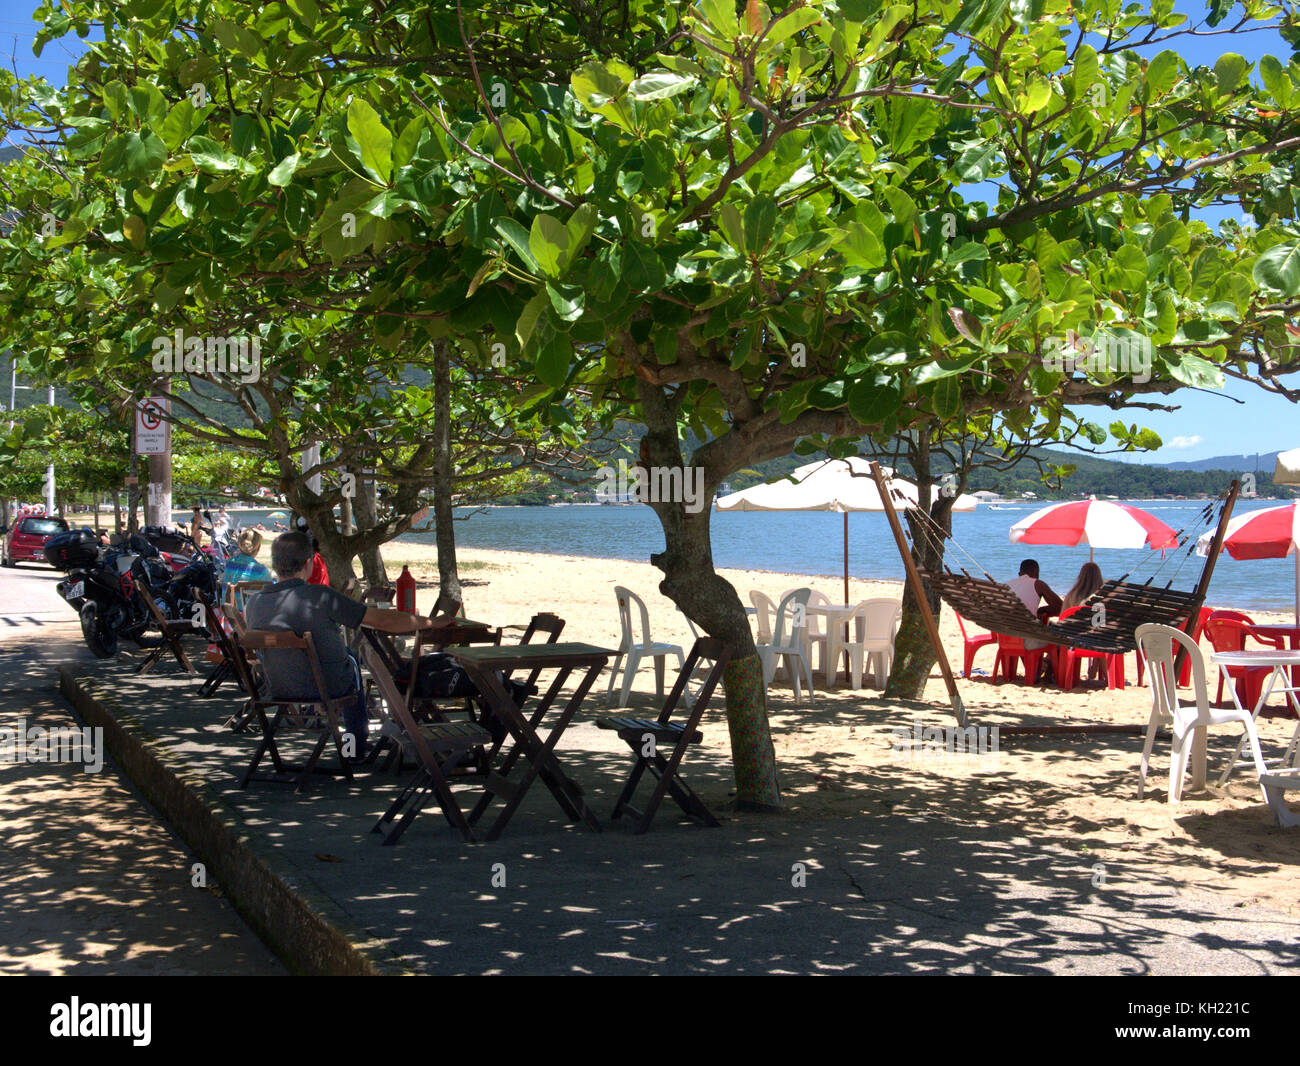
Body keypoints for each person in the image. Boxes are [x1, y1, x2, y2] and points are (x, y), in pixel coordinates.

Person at [244, 532, 448, 761]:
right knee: (351, 663)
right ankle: (355, 748)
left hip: (277, 688)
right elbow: (383, 621)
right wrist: (431, 622)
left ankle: (354, 747)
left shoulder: (254, 603)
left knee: (347, 657)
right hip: (326, 687)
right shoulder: (318, 596)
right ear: (309, 562)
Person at [1006, 559, 1063, 655]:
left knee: (1022, 633)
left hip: (1006, 639)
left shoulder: (1008, 584)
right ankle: (1046, 667)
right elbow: (1062, 608)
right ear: (1036, 573)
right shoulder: (1038, 584)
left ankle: (1036, 668)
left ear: (1019, 574)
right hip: (1026, 640)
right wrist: (1042, 609)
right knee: (1063, 637)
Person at [1062, 561, 1107, 681]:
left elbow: (1063, 619)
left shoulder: (1072, 595)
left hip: (1074, 642)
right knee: (1101, 636)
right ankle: (1106, 675)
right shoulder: (1103, 599)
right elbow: (1100, 628)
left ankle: (1093, 670)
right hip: (1097, 641)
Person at [222, 528, 272, 594]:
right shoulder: (261, 570)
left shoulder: (229, 563)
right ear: (258, 547)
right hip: (250, 604)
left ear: (239, 546)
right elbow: (270, 592)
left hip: (227, 603)